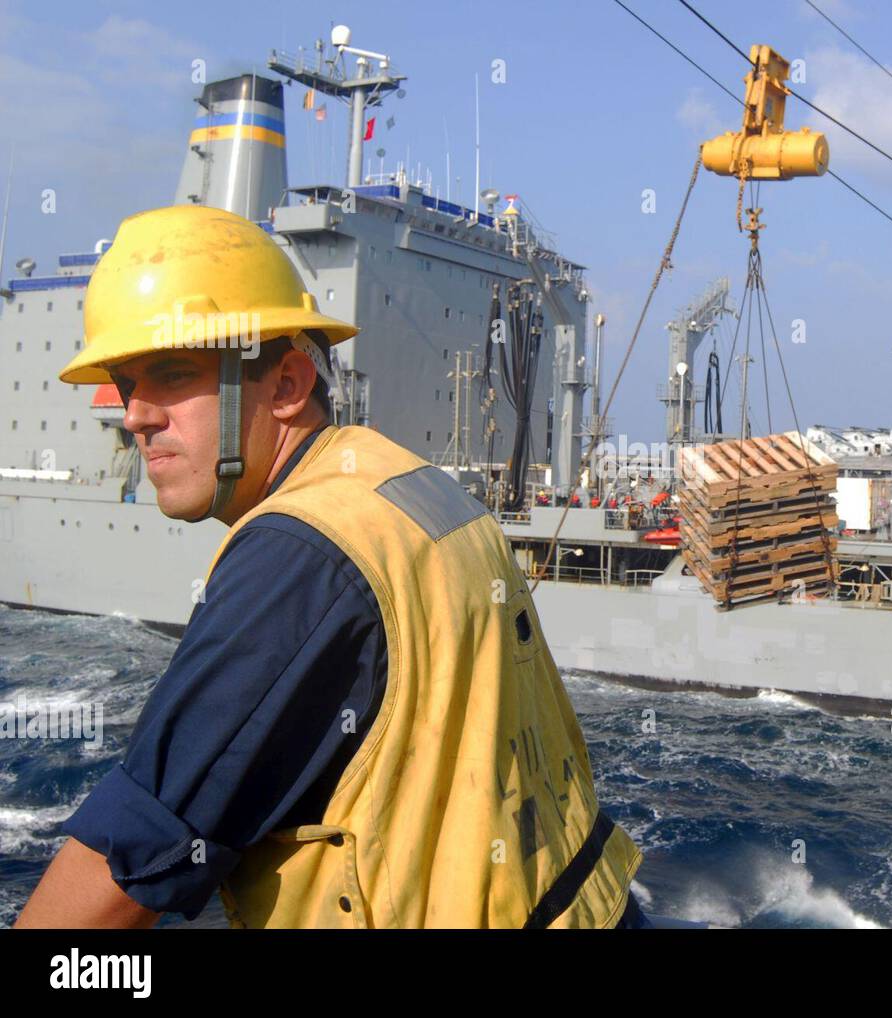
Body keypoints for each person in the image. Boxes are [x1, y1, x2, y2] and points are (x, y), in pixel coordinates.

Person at [15, 204, 645, 929]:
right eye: (127, 384)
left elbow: (134, 853)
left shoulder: (300, 552)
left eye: (171, 372)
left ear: (285, 385)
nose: (135, 415)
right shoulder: (409, 484)